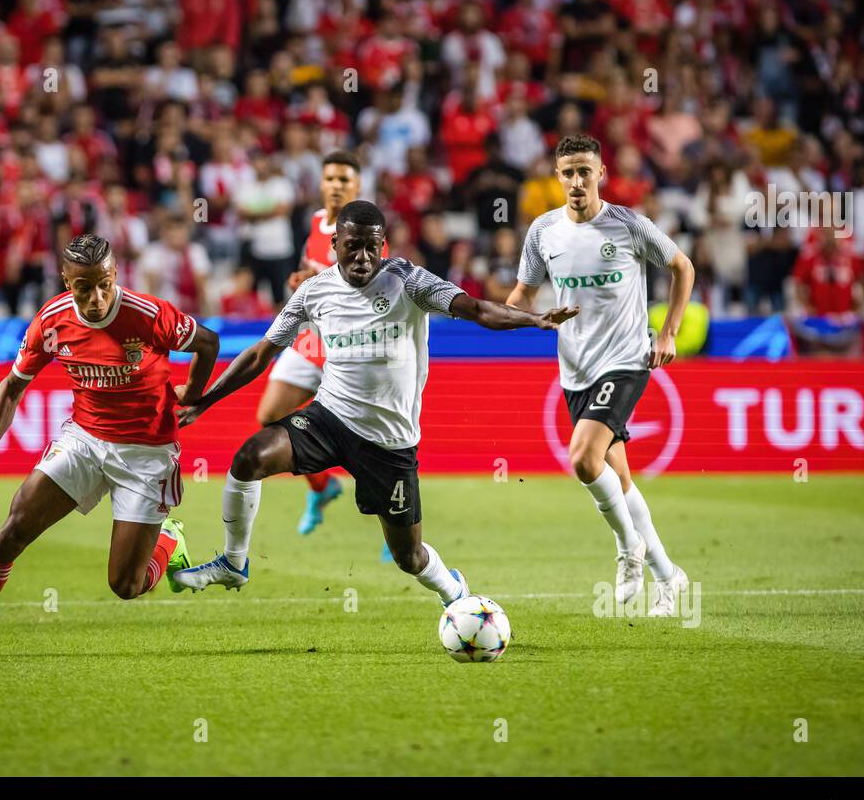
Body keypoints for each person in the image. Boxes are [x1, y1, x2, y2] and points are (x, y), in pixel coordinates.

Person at [170, 201, 575, 602]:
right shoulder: (314, 291)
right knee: (249, 458)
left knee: (409, 556)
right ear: (335, 244)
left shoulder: (409, 281)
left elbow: (476, 309)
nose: (362, 257)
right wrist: (205, 401)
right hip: (329, 419)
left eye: (371, 247)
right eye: (352, 246)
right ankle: (234, 561)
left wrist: (532, 319)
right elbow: (261, 353)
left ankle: (454, 592)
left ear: (383, 246)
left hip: (389, 443)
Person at [0, 234, 220, 659]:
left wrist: (191, 398)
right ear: (66, 282)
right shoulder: (52, 322)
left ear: (116, 274)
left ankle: (169, 539)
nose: (96, 297)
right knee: (14, 528)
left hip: (146, 452)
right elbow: (12, 387)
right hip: (84, 441)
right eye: (83, 287)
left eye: (104, 283)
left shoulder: (148, 314)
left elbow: (208, 343)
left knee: (126, 585)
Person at [506, 134, 696, 617]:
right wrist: (530, 317)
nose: (575, 181)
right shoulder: (542, 232)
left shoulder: (628, 225)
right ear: (557, 177)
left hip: (628, 360)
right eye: (567, 172)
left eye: (584, 171)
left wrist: (668, 332)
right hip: (576, 370)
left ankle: (627, 550)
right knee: (620, 481)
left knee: (584, 460)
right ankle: (668, 576)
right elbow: (522, 298)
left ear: (601, 174)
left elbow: (682, 265)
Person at [256, 149, 370, 536]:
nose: (336, 186)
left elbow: (366, 284)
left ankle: (396, 521)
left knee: (369, 443)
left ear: (357, 186)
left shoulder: (366, 227)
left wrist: (315, 273)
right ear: (321, 184)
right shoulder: (317, 222)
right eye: (330, 179)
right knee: (269, 416)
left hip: (348, 347)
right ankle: (322, 487)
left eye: (344, 180)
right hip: (310, 340)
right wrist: (301, 281)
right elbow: (314, 278)